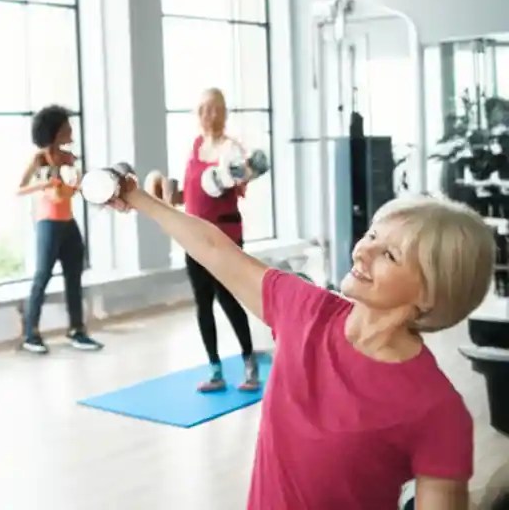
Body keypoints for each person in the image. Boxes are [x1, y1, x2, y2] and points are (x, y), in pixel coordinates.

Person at [102, 176, 492, 509]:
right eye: (372, 235)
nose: (363, 250)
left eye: (389, 254)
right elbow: (214, 248)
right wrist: (135, 195)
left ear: (431, 292)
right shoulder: (305, 311)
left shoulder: (436, 409)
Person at [175, 88, 261, 392]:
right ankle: (215, 370)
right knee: (203, 303)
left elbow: (242, 176)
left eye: (215, 109)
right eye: (203, 109)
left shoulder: (230, 149)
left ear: (224, 113)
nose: (208, 115)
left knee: (228, 298)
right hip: (194, 238)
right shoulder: (195, 146)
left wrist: (243, 173)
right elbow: (191, 193)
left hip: (223, 237)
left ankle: (250, 365)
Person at [16, 105, 103, 354]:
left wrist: (73, 185)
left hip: (68, 223)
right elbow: (19, 188)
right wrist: (44, 184)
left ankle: (77, 330)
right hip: (48, 224)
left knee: (74, 277)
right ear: (54, 131)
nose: (70, 131)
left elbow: (76, 187)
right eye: (66, 128)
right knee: (42, 276)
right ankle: (31, 334)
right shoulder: (39, 159)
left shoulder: (68, 159)